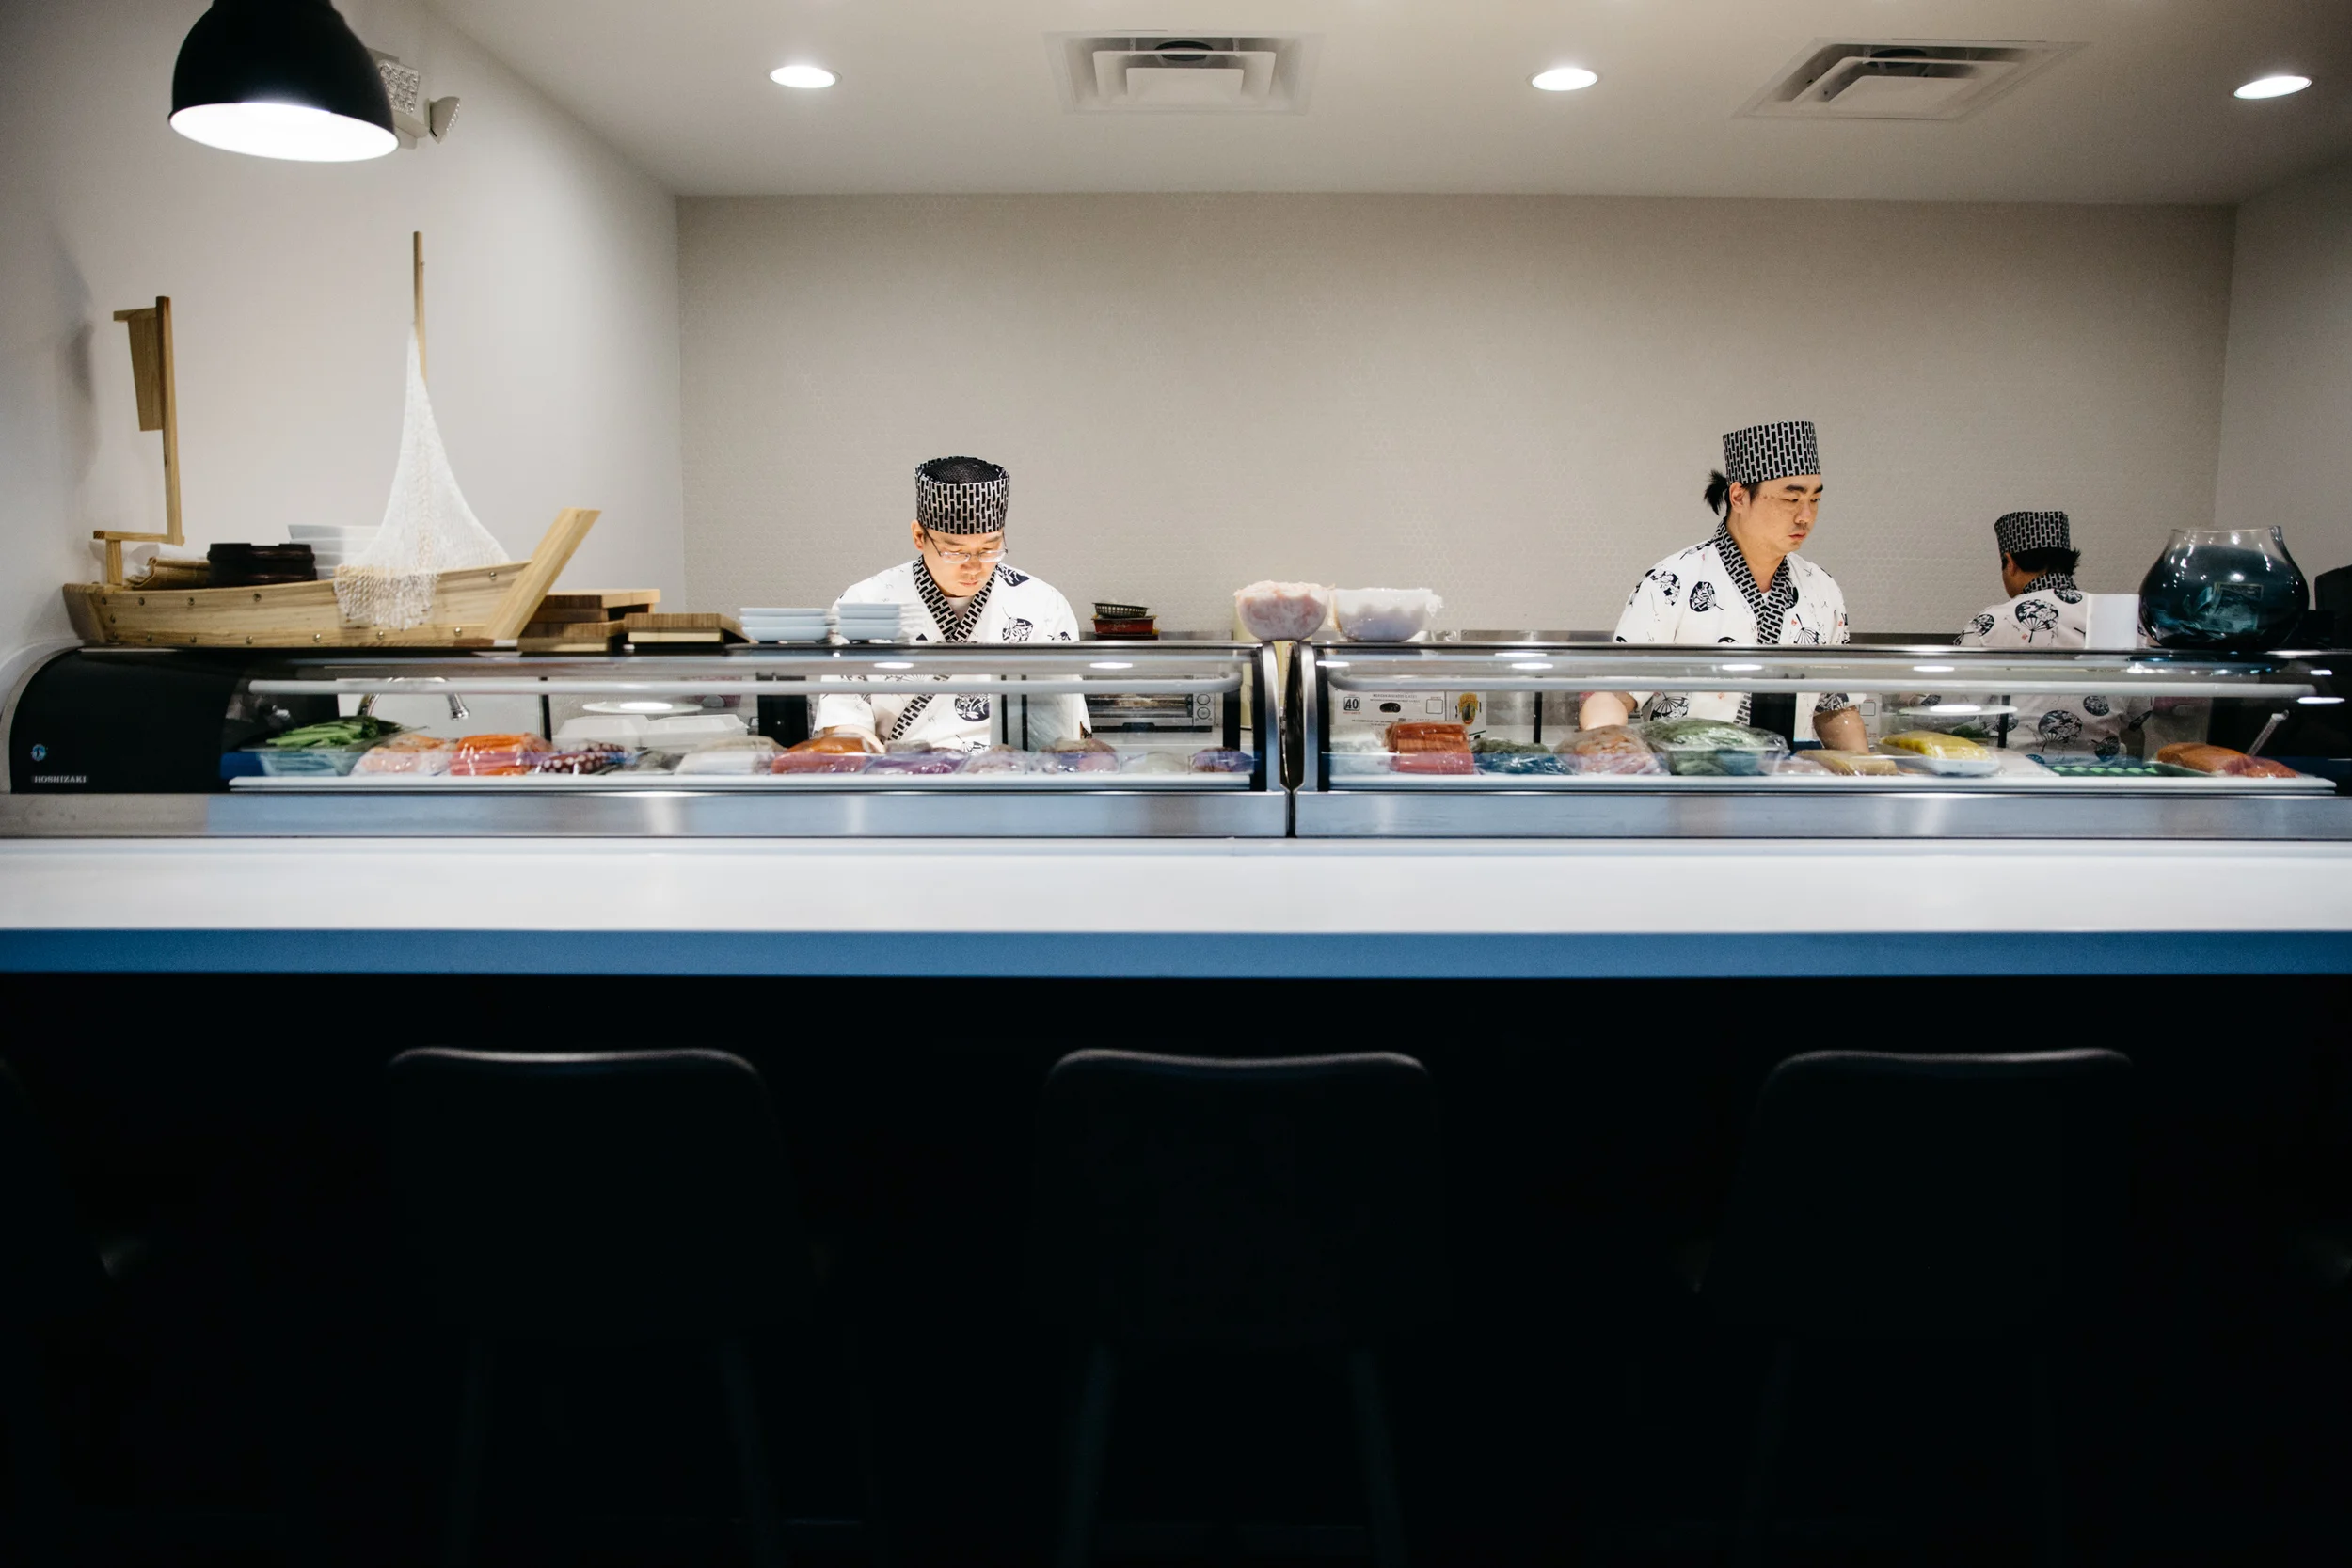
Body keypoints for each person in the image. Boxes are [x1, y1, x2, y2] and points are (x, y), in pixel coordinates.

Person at [1579, 420, 1866, 750]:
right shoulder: (1673, 581)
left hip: (1786, 785)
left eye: (1815, 500)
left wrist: (1870, 777)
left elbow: (1835, 708)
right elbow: (1615, 694)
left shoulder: (1822, 589)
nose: (1805, 516)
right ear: (1739, 496)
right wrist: (1606, 750)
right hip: (1687, 785)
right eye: (1791, 500)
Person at [811, 456, 1089, 752]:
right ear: (919, 536)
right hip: (899, 778)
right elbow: (843, 726)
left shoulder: (1043, 605)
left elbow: (1063, 729)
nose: (974, 567)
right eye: (954, 553)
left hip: (1008, 778)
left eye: (989, 549)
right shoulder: (863, 603)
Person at [1957, 510, 2146, 756]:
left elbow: (1955, 709)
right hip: (2101, 782)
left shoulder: (1993, 622)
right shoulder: (2117, 618)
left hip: (2018, 776)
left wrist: (1909, 699)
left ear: (2010, 563)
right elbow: (2139, 713)